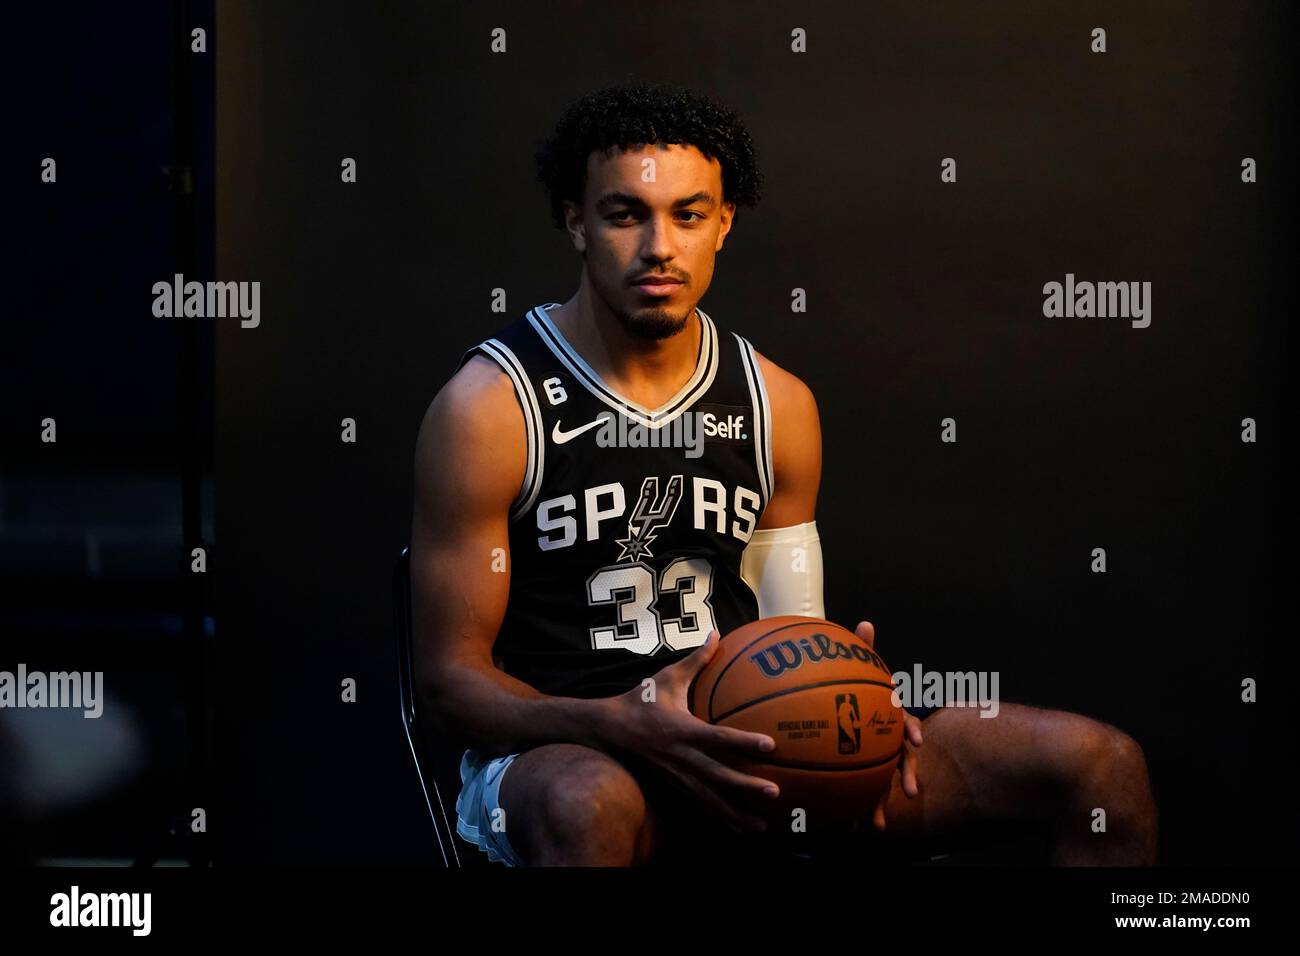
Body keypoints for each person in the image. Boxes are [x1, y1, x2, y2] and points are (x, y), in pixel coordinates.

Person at [409, 81, 1157, 866]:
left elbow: (796, 629)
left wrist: (850, 702)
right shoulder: (491, 410)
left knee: (1097, 766)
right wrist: (615, 721)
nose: (659, 246)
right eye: (625, 213)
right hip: (559, 754)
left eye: (689, 215)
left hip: (745, 744)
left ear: (724, 222)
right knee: (588, 805)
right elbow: (449, 687)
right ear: (576, 220)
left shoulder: (776, 404)